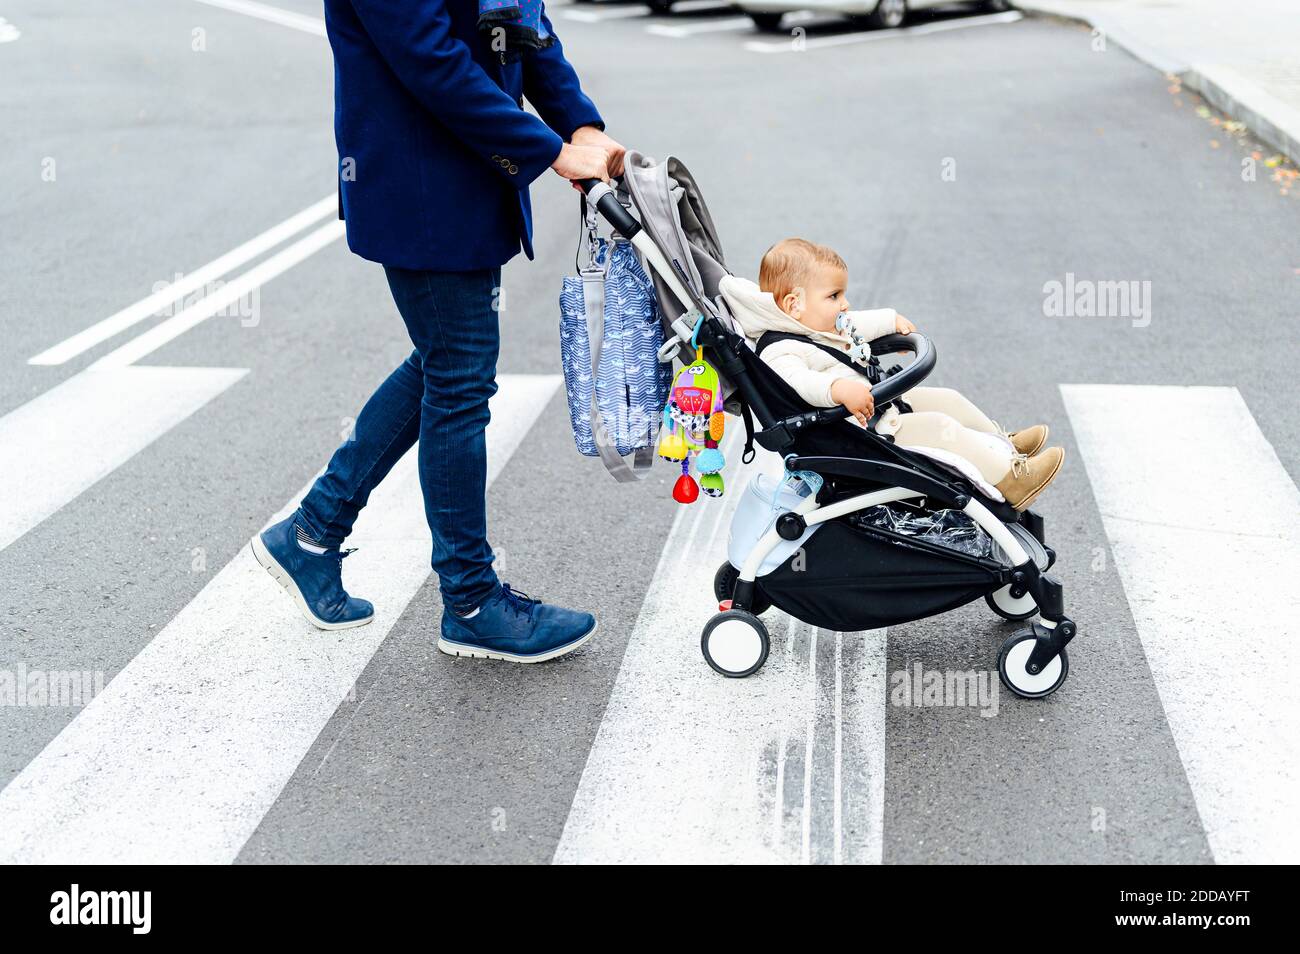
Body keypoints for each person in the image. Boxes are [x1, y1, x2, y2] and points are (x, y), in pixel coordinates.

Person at [250, 0, 622, 663]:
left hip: (466, 178)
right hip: (420, 182)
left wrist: (582, 124)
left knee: (449, 359)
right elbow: (430, 59)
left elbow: (523, 25)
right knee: (458, 371)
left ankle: (312, 533)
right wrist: (550, 150)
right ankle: (471, 601)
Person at [719, 238, 1066, 511]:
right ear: (794, 304)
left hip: (876, 409)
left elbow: (851, 325)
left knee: (948, 400)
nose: (845, 304)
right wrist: (837, 389)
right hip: (857, 430)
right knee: (941, 429)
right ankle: (1011, 480)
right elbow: (802, 383)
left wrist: (890, 321)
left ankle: (1005, 446)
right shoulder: (780, 349)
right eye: (834, 296)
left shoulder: (808, 321)